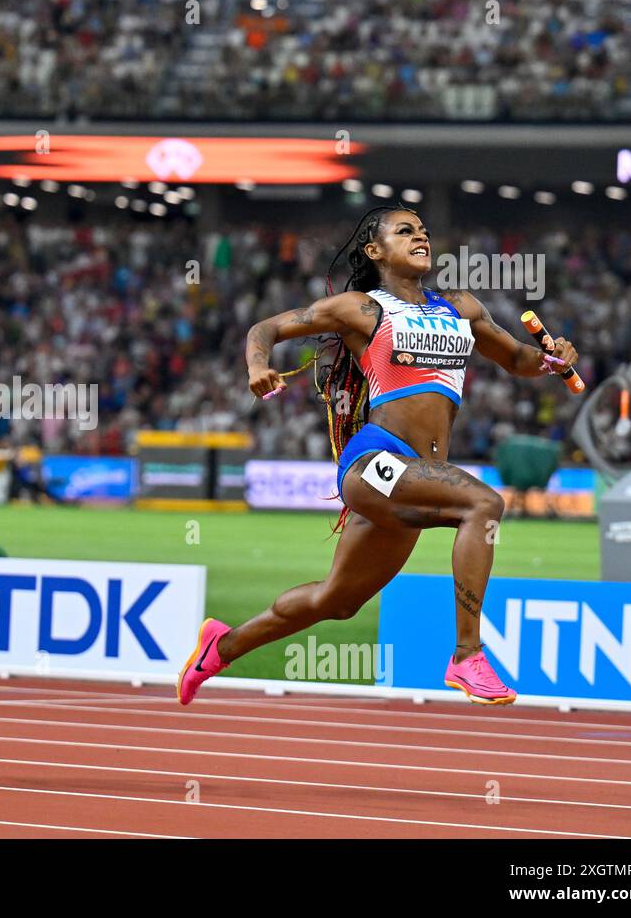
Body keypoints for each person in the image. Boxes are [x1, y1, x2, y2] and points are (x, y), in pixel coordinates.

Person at [177, 206, 578, 707]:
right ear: (375, 251)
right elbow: (265, 329)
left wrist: (550, 358)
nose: (420, 237)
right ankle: (466, 655)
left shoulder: (462, 308)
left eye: (424, 231)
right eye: (405, 231)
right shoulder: (361, 309)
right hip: (376, 461)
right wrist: (258, 366)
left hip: (416, 476)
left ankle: (221, 645)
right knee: (483, 505)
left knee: (336, 601)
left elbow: (516, 358)